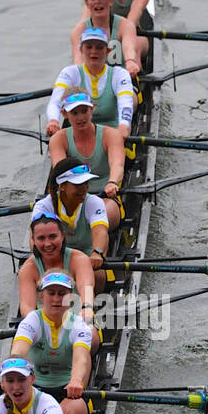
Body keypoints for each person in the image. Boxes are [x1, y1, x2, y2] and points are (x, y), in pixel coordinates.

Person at [11, 270, 96, 414]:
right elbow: (18, 353)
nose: (56, 299)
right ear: (41, 296)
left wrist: (76, 380)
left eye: (62, 293)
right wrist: (12, 377)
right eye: (51, 293)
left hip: (70, 392)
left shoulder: (79, 325)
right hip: (35, 390)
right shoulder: (32, 321)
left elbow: (81, 358)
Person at [47, 91, 124, 229]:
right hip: (72, 198)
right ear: (64, 114)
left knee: (99, 215)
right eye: (74, 113)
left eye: (84, 111)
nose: (80, 117)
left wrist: (112, 182)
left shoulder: (111, 135)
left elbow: (117, 164)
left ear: (92, 109)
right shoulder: (58, 139)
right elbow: (61, 172)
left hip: (105, 196)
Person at [32, 159, 109, 291]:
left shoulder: (94, 202)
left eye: (86, 182)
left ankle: (94, 305)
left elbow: (100, 232)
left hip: (87, 254)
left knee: (98, 275)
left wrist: (97, 253)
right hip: (55, 254)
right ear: (62, 186)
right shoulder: (44, 206)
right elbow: (34, 239)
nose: (85, 188)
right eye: (78, 184)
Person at [46, 27, 134, 141]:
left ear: (107, 51)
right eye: (88, 47)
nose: (93, 51)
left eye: (99, 47)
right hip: (78, 134)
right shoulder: (70, 73)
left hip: (112, 135)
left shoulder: (119, 74)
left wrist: (124, 125)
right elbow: (55, 101)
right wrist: (53, 121)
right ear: (81, 50)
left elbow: (125, 102)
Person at [17, 208, 97, 319]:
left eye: (52, 237)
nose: (48, 244)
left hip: (78, 317)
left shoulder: (79, 259)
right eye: (41, 238)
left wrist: (86, 308)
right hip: (45, 324)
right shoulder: (27, 269)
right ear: (33, 240)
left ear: (62, 236)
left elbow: (86, 288)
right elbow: (27, 307)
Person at [70, 0, 145, 76]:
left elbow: (129, 47)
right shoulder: (78, 31)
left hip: (121, 80)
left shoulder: (125, 26)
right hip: (93, 81)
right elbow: (78, 60)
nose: (97, 2)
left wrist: (130, 61)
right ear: (87, 4)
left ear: (111, 1)